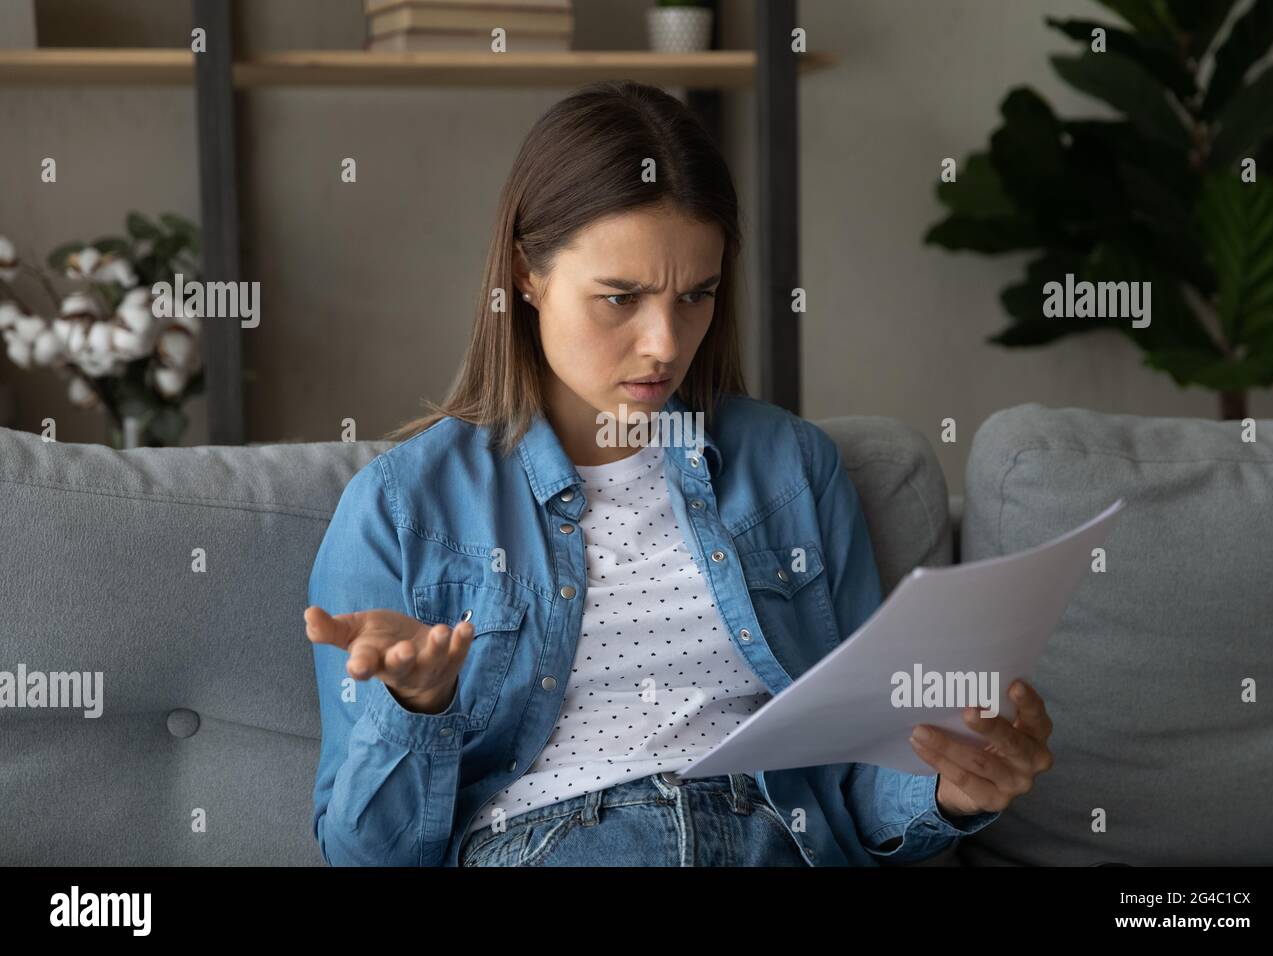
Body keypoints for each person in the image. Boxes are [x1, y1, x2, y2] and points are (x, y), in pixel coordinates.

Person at [302, 80, 1054, 867]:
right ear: (526, 273)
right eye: (620, 299)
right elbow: (366, 857)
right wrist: (418, 706)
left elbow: (860, 780)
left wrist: (949, 789)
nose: (665, 342)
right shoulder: (402, 508)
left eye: (697, 295)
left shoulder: (792, 470)